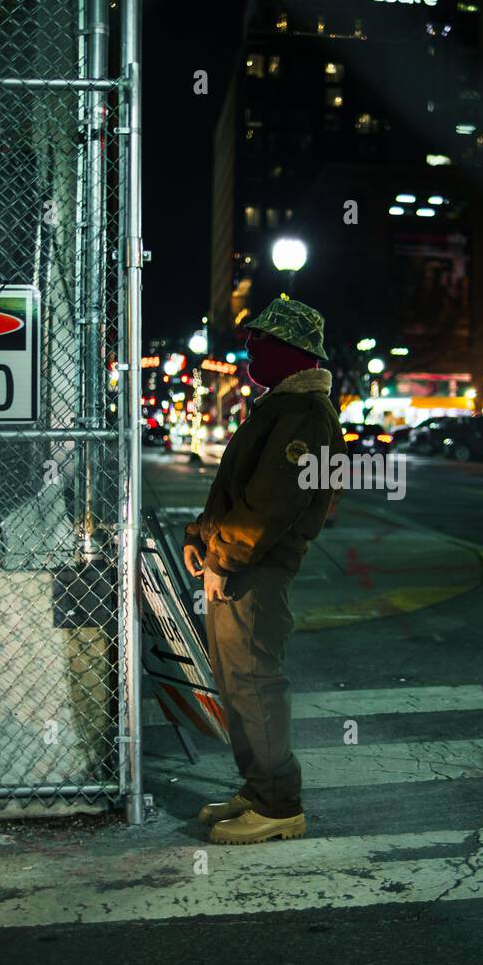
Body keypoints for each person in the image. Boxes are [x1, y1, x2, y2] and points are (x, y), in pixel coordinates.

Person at [182, 297, 345, 844]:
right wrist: (202, 536)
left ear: (295, 352)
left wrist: (222, 556)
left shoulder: (303, 414)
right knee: (239, 685)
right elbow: (239, 492)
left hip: (254, 572)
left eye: (263, 340)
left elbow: (271, 504)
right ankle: (259, 787)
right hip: (239, 567)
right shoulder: (280, 407)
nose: (251, 347)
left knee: (254, 684)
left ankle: (278, 806)